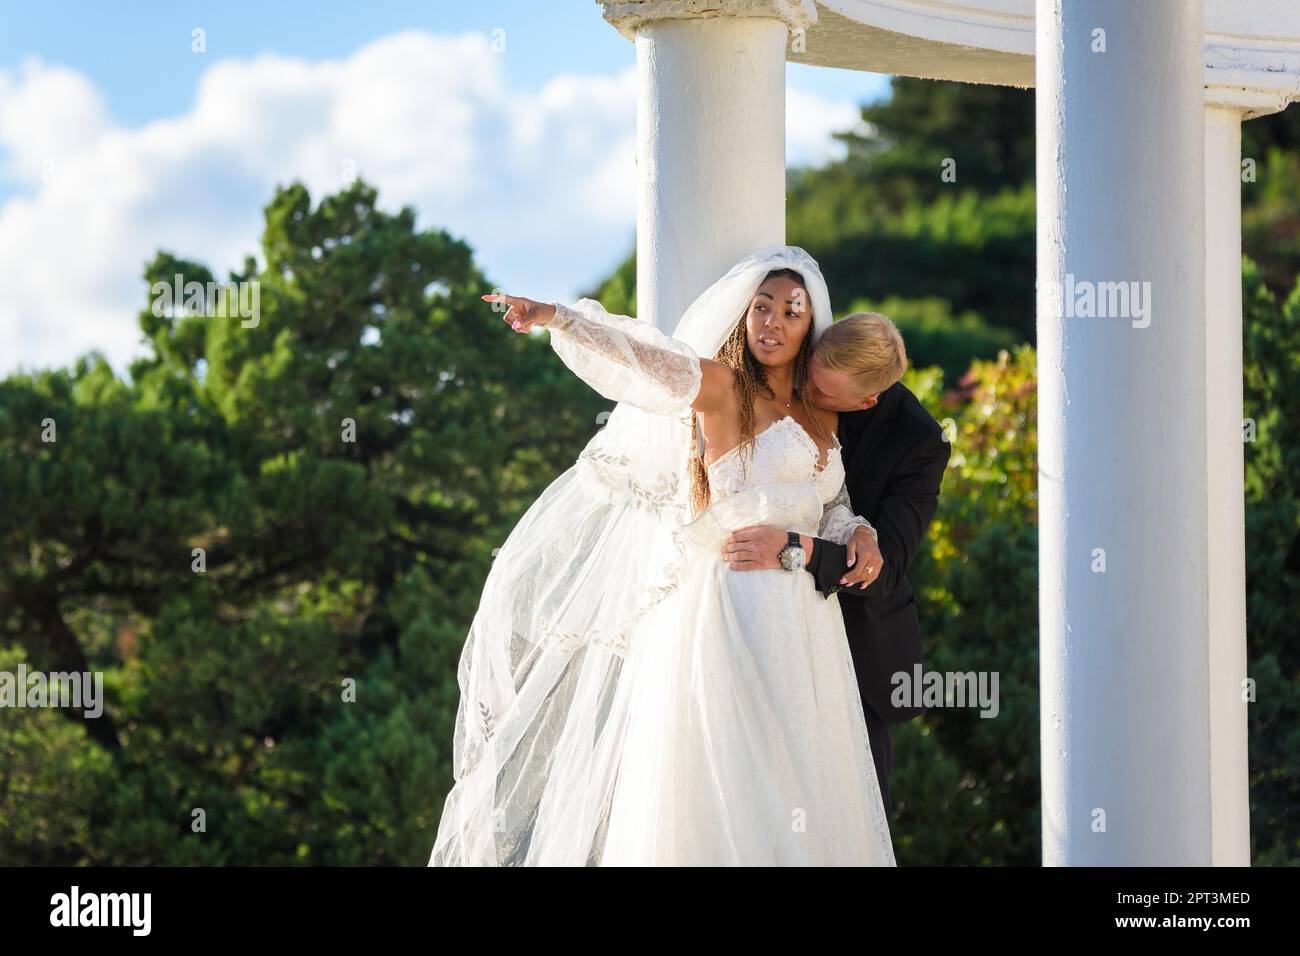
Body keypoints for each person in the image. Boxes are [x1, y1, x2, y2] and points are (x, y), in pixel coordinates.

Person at [429, 246, 893, 866]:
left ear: (812, 324)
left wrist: (859, 528)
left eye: (791, 311)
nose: (773, 322)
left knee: (802, 773)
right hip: (739, 601)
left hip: (807, 619)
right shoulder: (724, 387)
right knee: (735, 769)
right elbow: (647, 363)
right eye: (761, 308)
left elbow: (823, 503)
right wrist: (559, 319)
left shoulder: (820, 416)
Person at [721, 313, 951, 820]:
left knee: (848, 822)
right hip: (760, 625)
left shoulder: (921, 443)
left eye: (822, 394)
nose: (805, 391)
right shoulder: (792, 366)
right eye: (809, 374)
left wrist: (794, 548)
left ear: (864, 402)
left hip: (857, 650)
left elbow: (883, 570)